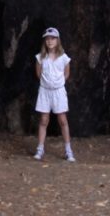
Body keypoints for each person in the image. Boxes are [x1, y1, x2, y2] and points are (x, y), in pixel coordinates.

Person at [33, 26, 75, 161]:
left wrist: (57, 83)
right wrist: (47, 83)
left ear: (57, 40)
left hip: (58, 91)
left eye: (53, 38)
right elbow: (39, 74)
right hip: (44, 91)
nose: (50, 41)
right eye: (47, 39)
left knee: (62, 120)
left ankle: (68, 150)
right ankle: (40, 148)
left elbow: (66, 73)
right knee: (44, 120)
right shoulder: (40, 57)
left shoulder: (63, 58)